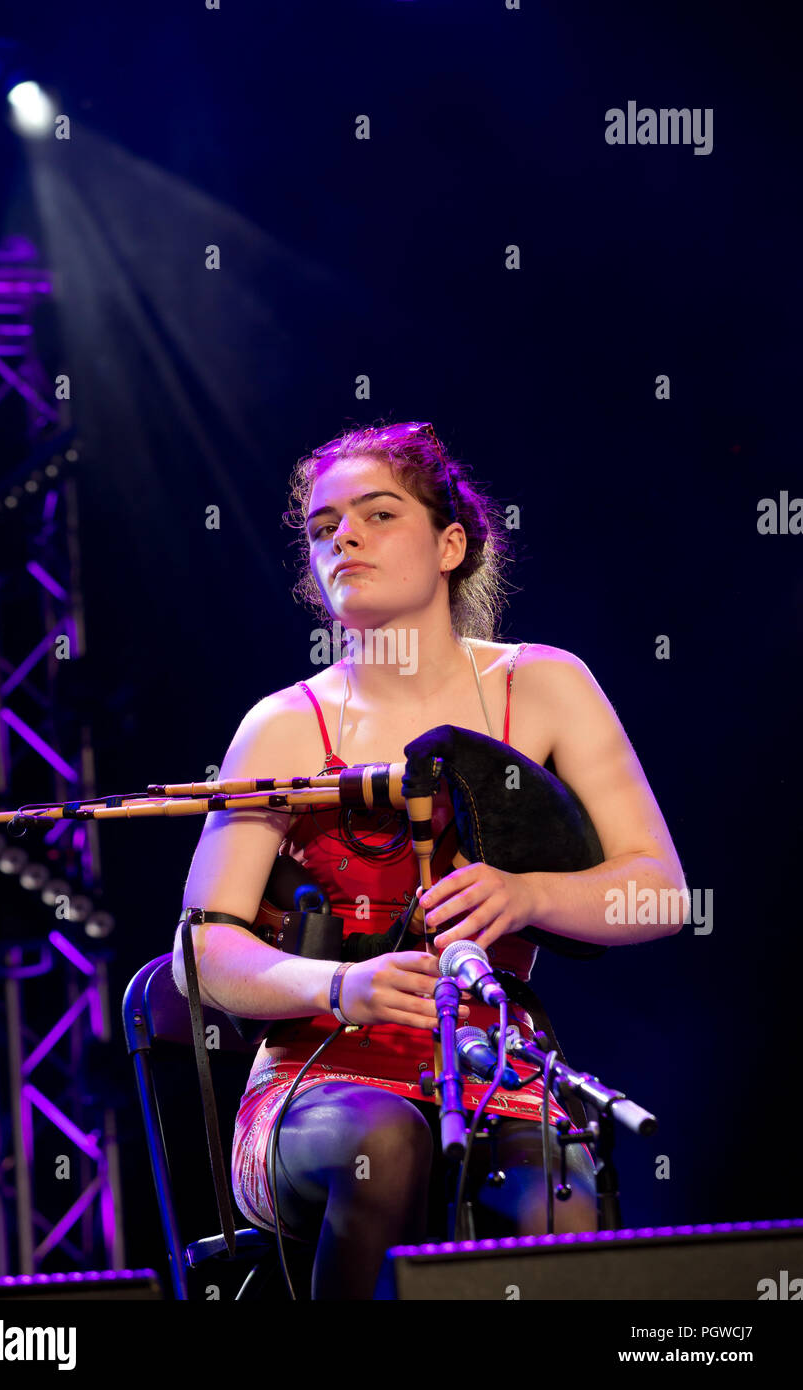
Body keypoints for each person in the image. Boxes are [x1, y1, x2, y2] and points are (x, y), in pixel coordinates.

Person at [172, 421, 689, 1300]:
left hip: (491, 1073)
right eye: (324, 525)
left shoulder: (547, 685)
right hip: (314, 1081)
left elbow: (660, 894)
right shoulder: (285, 724)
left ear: (451, 544)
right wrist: (338, 988)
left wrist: (527, 894)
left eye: (377, 514)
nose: (345, 536)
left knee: (561, 1192)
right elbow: (200, 951)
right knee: (382, 1143)